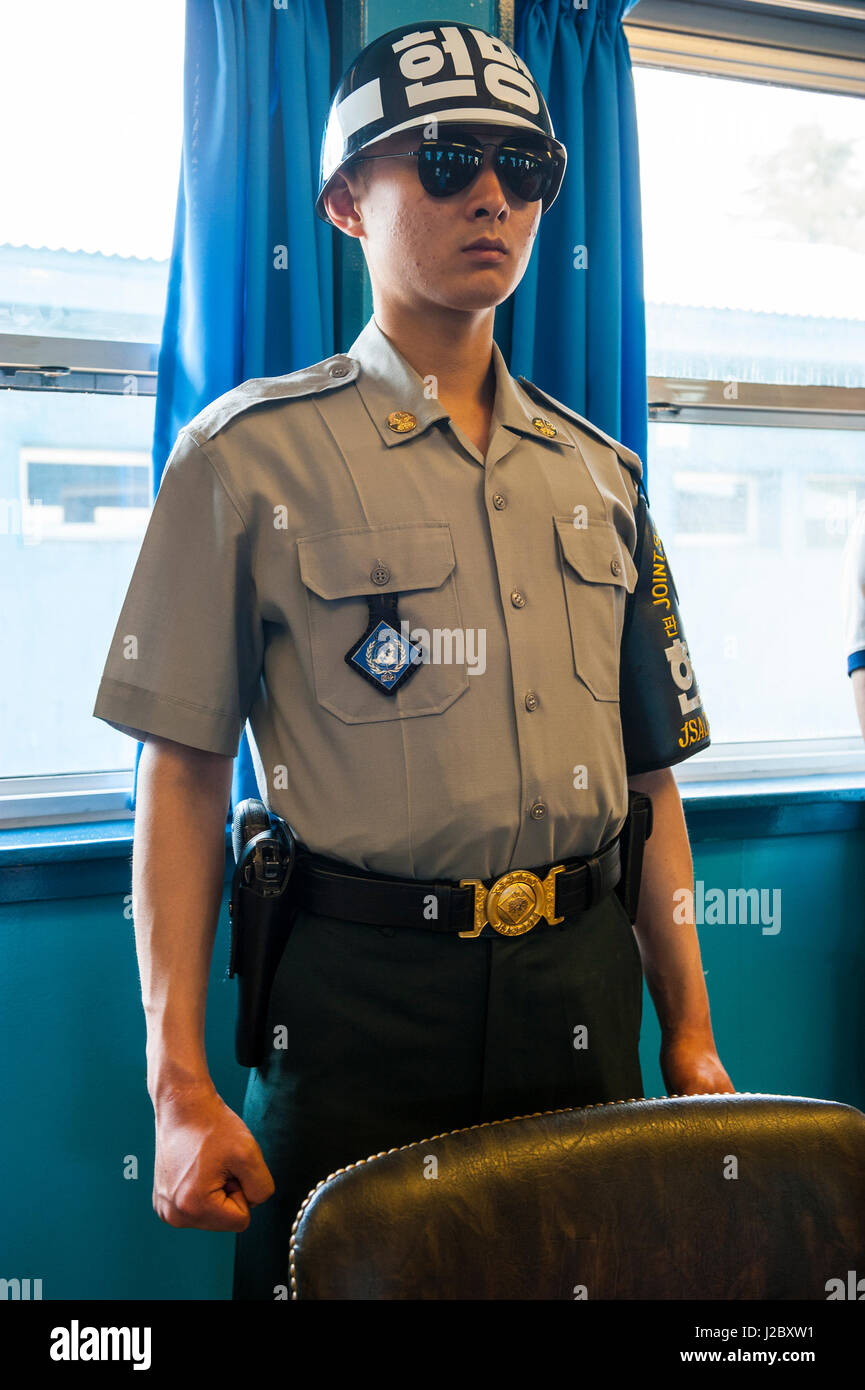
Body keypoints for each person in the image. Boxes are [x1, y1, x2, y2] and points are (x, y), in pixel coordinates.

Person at [92, 20, 733, 1303]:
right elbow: (180, 776)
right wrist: (178, 1087)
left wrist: (693, 1038)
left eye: (522, 166)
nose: (490, 193)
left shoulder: (601, 477)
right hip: (354, 1003)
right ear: (344, 201)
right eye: (441, 159)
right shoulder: (243, 460)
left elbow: (650, 783)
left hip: (579, 984)